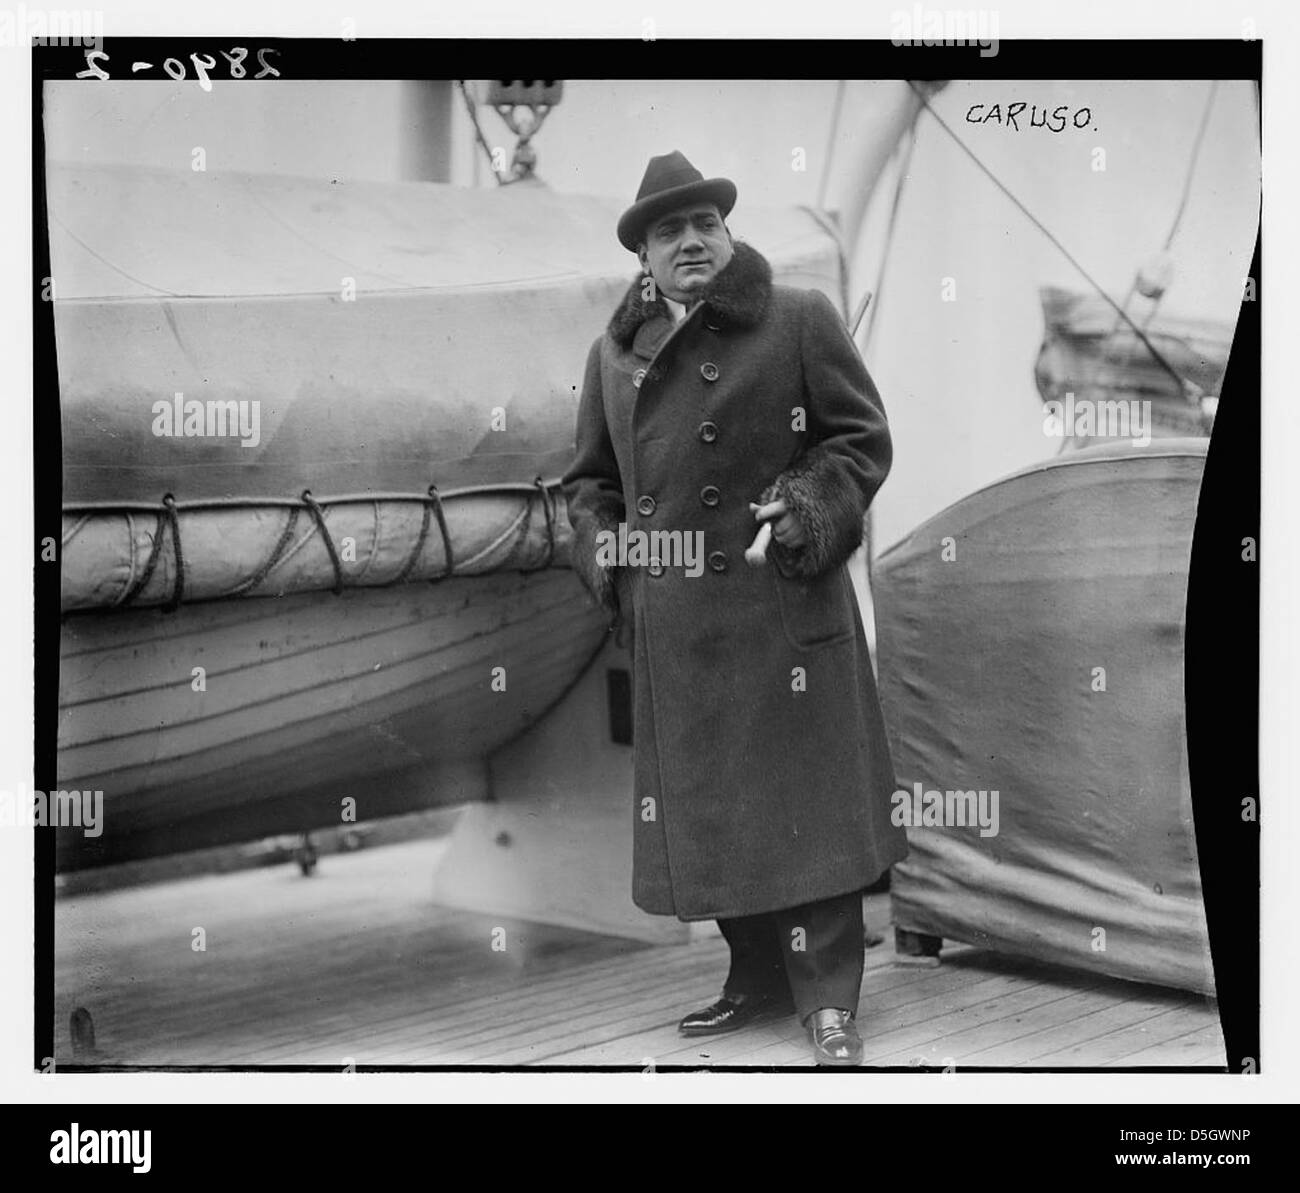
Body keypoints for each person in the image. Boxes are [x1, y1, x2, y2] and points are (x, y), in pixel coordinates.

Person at [561, 151, 907, 1066]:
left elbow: (861, 439)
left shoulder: (797, 318)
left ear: (727, 233)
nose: (690, 242)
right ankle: (754, 976)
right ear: (644, 255)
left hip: (781, 607)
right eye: (669, 232)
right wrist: (612, 557)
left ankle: (829, 1000)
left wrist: (805, 509)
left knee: (810, 811)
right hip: (678, 625)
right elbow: (590, 486)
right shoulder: (613, 356)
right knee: (716, 813)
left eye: (704, 225)